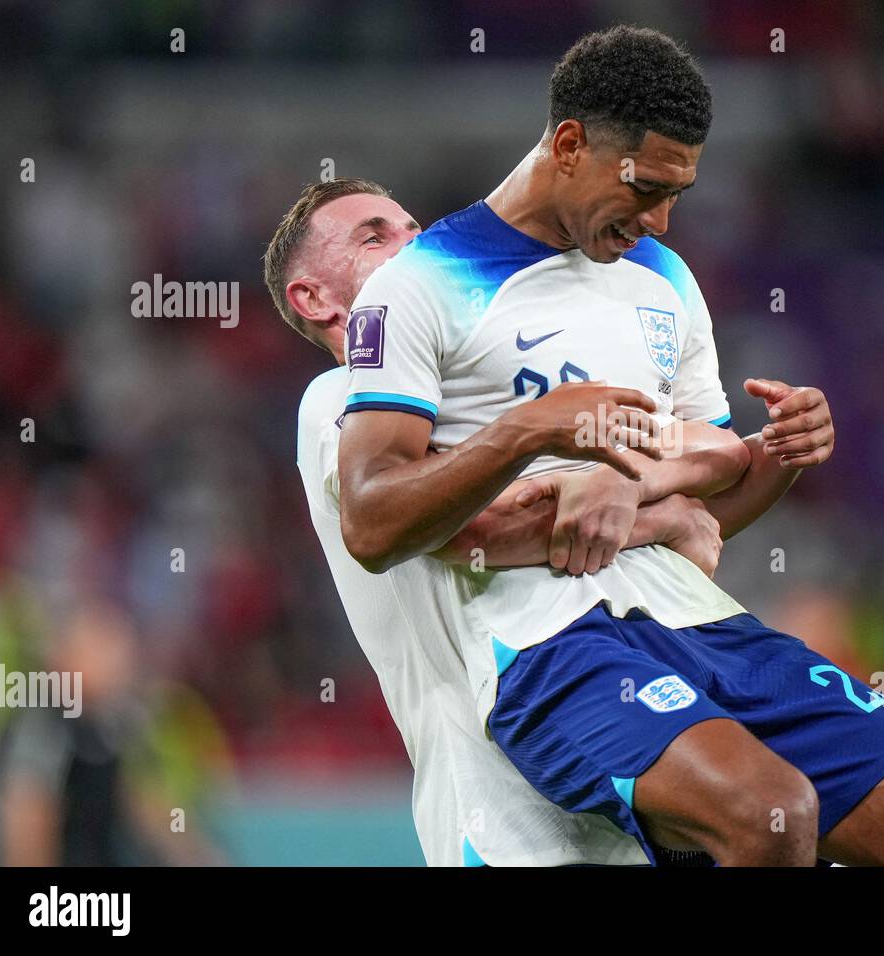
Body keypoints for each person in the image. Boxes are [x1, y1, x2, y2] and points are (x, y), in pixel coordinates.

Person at [335, 26, 884, 866]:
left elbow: (709, 508)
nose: (658, 219)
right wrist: (529, 428)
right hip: (548, 649)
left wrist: (778, 453)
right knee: (771, 816)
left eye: (678, 194)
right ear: (569, 144)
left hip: (703, 625)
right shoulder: (417, 289)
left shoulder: (664, 279)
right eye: (645, 188)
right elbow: (370, 522)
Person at [267, 177, 736, 865]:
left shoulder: (484, 397)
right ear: (314, 298)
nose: (415, 241)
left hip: (612, 759)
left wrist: (642, 489)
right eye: (376, 235)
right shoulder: (336, 399)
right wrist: (665, 517)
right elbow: (485, 529)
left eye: (411, 224)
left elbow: (695, 451)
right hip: (504, 817)